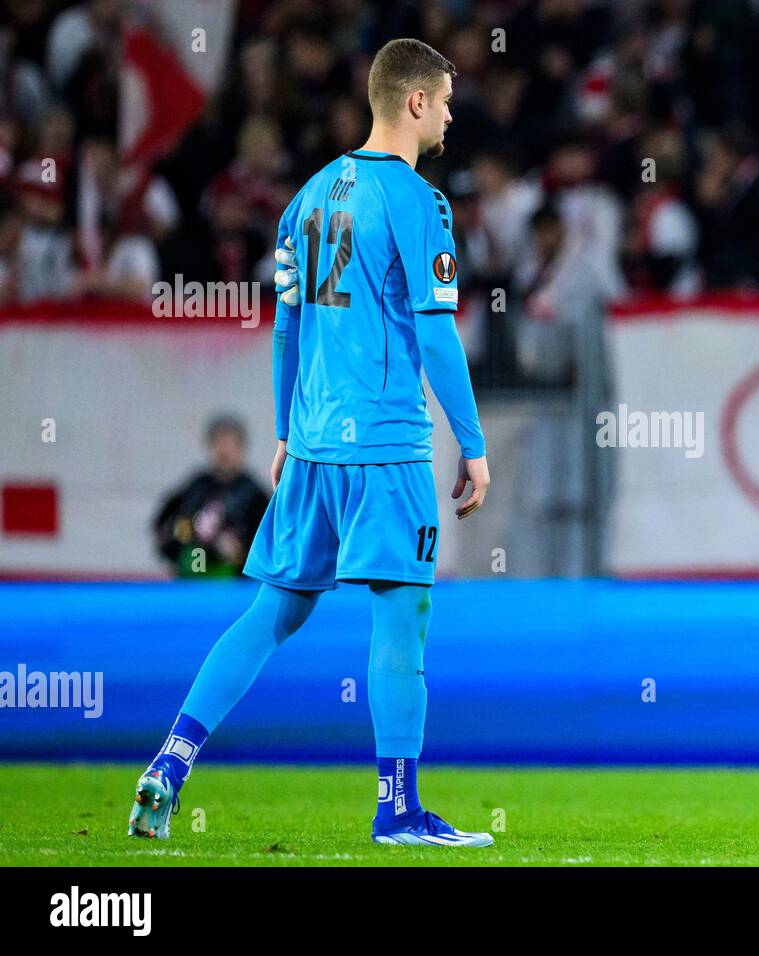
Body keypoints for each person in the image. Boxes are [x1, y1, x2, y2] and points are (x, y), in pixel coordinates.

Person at [129, 39, 494, 848]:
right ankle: (398, 810)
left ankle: (172, 759)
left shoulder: (311, 194)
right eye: (443, 100)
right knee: (403, 621)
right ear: (414, 104)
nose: (450, 114)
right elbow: (435, 334)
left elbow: (285, 324)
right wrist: (471, 442)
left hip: (317, 444)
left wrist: (290, 433)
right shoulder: (419, 201)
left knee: (271, 613)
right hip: (390, 446)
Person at [152, 415, 269, 578]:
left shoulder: (254, 494)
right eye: (219, 444)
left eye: (230, 444)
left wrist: (241, 553)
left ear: (241, 448)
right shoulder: (195, 486)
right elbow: (164, 524)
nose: (224, 451)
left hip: (236, 583)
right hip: (191, 577)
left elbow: (270, 542)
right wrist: (176, 547)